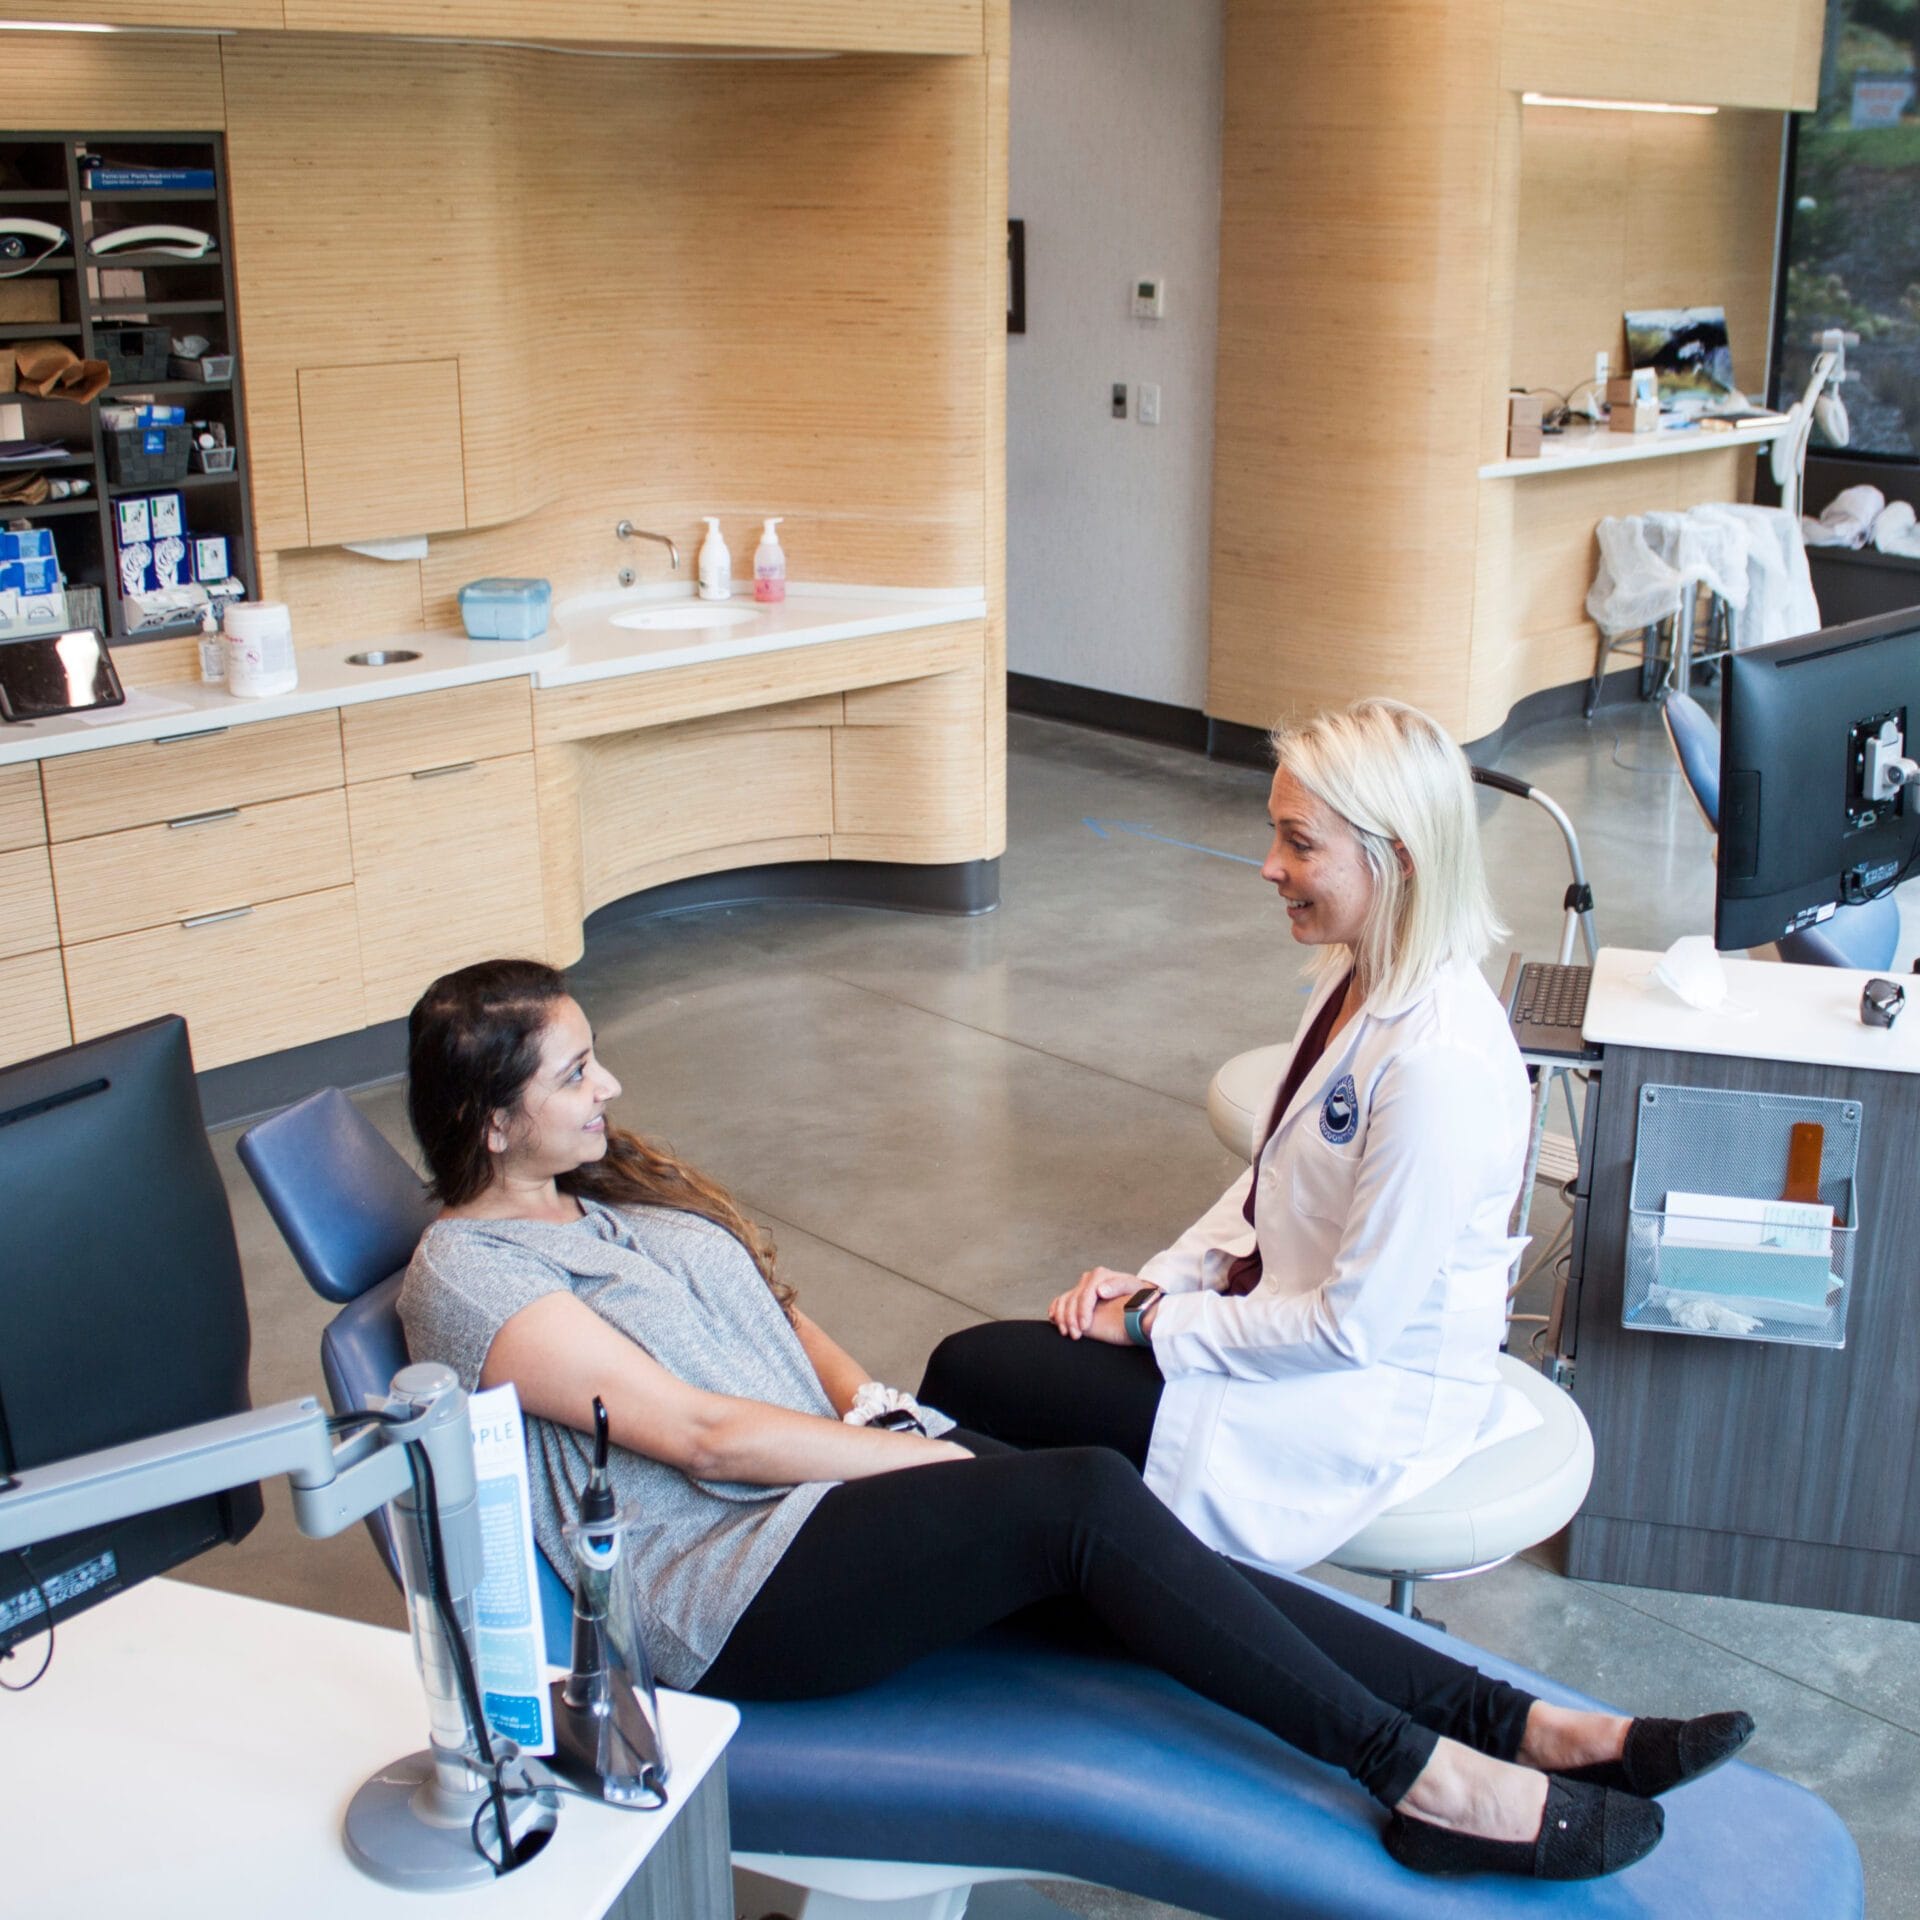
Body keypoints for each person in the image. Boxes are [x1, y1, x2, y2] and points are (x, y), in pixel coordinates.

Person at [396, 957, 1752, 1884]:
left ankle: (1517, 1722)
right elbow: (700, 1437)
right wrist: (912, 1453)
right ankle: (1427, 1783)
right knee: (1088, 1498)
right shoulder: (470, 1276)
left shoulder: (605, 1197)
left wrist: (881, 1406)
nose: (610, 1088)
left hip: (820, 1498)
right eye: (575, 1074)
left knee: (1147, 1550)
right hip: (725, 1588)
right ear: (488, 1121)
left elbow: (777, 1315)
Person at [920, 698, 1546, 1575]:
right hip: (1281, 1328)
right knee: (996, 1391)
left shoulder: (1438, 1066)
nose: (1269, 866)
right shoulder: (1355, 974)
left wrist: (1154, 1324)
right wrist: (1161, 1280)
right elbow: (1268, 1183)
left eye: (1300, 843)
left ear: (1398, 858)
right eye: (1274, 834)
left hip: (1356, 1398)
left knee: (972, 1378)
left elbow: (1350, 1333)